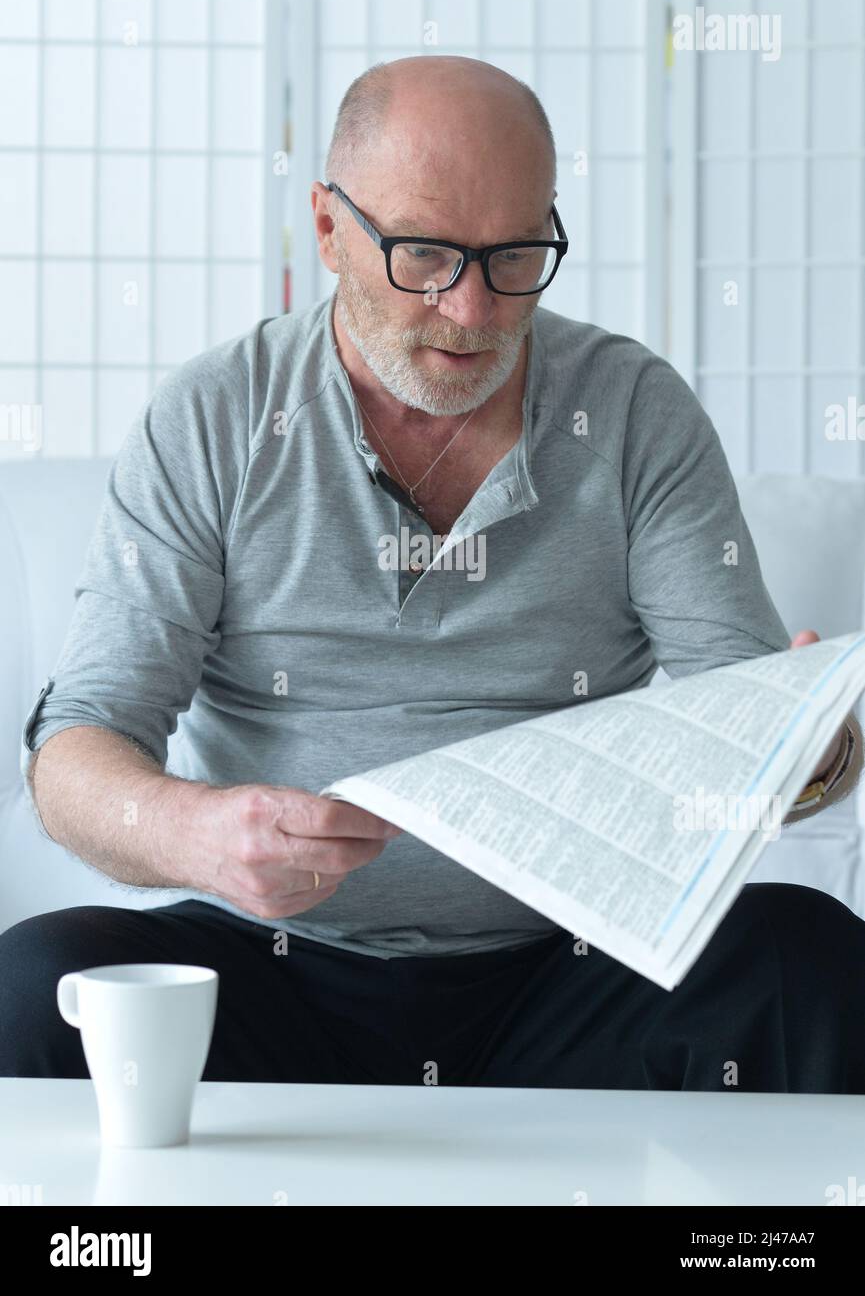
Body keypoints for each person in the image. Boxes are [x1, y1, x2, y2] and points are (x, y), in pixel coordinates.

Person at [3, 56, 863, 1092]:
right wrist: (194, 832)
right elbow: (75, 751)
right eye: (422, 254)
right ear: (327, 228)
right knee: (34, 981)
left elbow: (748, 722)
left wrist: (809, 752)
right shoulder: (215, 416)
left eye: (512, 256)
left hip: (571, 971)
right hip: (274, 973)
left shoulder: (632, 410)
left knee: (800, 953)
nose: (469, 309)